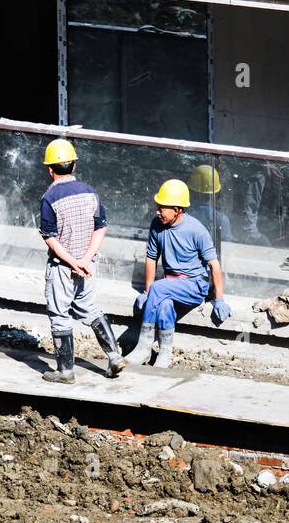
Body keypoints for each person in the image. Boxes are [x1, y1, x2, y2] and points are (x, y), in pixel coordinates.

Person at [39, 137, 125, 385]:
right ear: (74, 166)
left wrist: (72, 262)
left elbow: (50, 239)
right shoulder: (91, 193)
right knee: (90, 308)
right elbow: (101, 228)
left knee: (59, 314)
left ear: (50, 169)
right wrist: (85, 259)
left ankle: (65, 371)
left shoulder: (49, 198)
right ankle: (114, 356)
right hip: (88, 266)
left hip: (62, 267)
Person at [126, 178, 232, 370]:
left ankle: (143, 347)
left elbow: (214, 265)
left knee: (158, 289)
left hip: (194, 285)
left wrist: (220, 299)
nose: (158, 211)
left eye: (163, 207)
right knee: (164, 305)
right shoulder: (157, 225)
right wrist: (147, 292)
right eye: (158, 206)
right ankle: (165, 353)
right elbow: (151, 257)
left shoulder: (196, 229)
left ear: (177, 210)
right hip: (170, 285)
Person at [188, 163, 232, 243]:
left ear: (191, 190)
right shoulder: (222, 220)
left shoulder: (181, 214)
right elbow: (227, 249)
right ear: (215, 193)